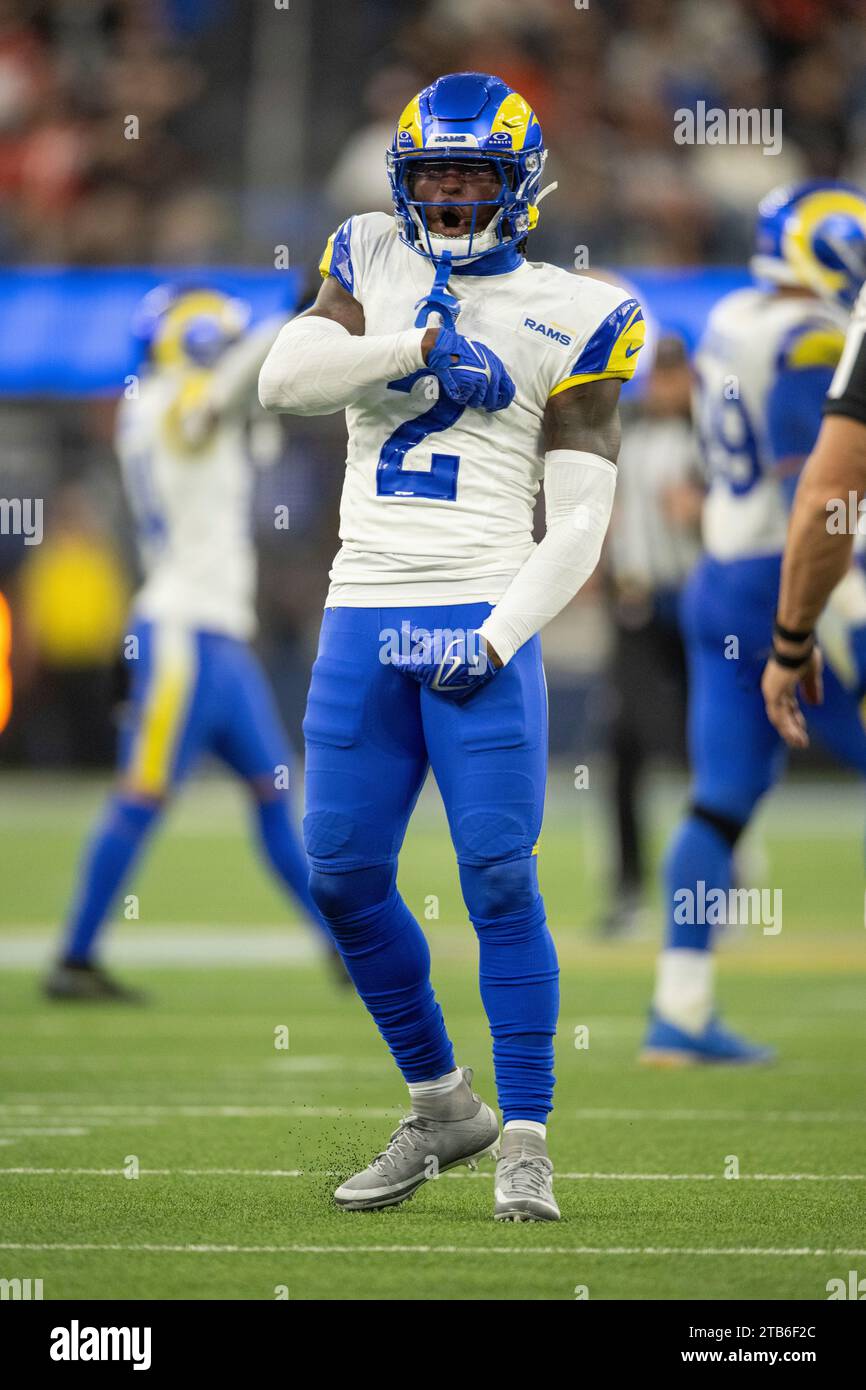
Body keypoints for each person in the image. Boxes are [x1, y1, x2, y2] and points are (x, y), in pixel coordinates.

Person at [259, 71, 645, 1221]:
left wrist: (498, 634)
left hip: (479, 600)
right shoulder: (369, 254)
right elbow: (282, 380)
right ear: (400, 180)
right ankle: (441, 1104)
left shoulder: (578, 309)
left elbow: (577, 519)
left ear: (519, 183)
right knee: (340, 873)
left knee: (494, 872)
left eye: (472, 175)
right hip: (360, 607)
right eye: (432, 173)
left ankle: (525, 1133)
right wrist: (408, 348)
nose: (449, 194)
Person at [46, 285, 331, 1002]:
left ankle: (343, 949)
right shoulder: (168, 405)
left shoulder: (172, 401)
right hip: (180, 635)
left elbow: (251, 403)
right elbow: (227, 394)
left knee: (274, 793)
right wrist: (295, 316)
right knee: (142, 793)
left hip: (221, 641)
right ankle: (74, 959)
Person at [642, 180, 866, 1066]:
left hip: (720, 572)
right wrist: (826, 609)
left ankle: (679, 1009)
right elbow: (812, 483)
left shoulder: (730, 317)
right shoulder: (814, 336)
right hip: (795, 579)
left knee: (720, 799)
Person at [601, 335, 703, 937]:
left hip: (695, 604)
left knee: (704, 745)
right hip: (637, 604)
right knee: (623, 742)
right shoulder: (629, 437)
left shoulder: (707, 439)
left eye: (674, 376)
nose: (666, 388)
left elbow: (745, 514)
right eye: (659, 376)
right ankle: (630, 889)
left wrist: (704, 508)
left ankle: (720, 881)